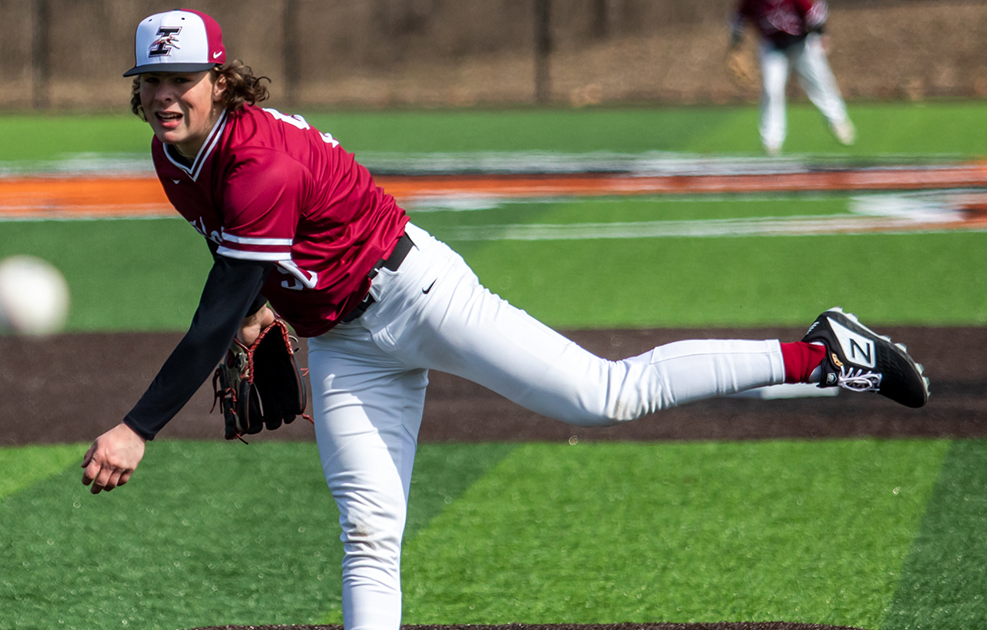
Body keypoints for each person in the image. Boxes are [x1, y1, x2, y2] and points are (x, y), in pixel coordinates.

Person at [81, 9, 928, 630]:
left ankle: (820, 355)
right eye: (150, 81)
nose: (163, 96)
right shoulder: (174, 150)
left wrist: (138, 427)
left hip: (418, 296)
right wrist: (274, 302)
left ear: (221, 79)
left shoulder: (255, 157)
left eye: (180, 78)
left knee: (604, 395)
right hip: (345, 340)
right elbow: (253, 269)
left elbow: (218, 303)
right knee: (370, 531)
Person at [728, 0, 855, 155]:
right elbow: (738, 17)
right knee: (771, 90)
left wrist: (821, 33)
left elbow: (812, 13)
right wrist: (735, 42)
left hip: (802, 44)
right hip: (773, 48)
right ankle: (772, 141)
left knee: (820, 83)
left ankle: (838, 120)